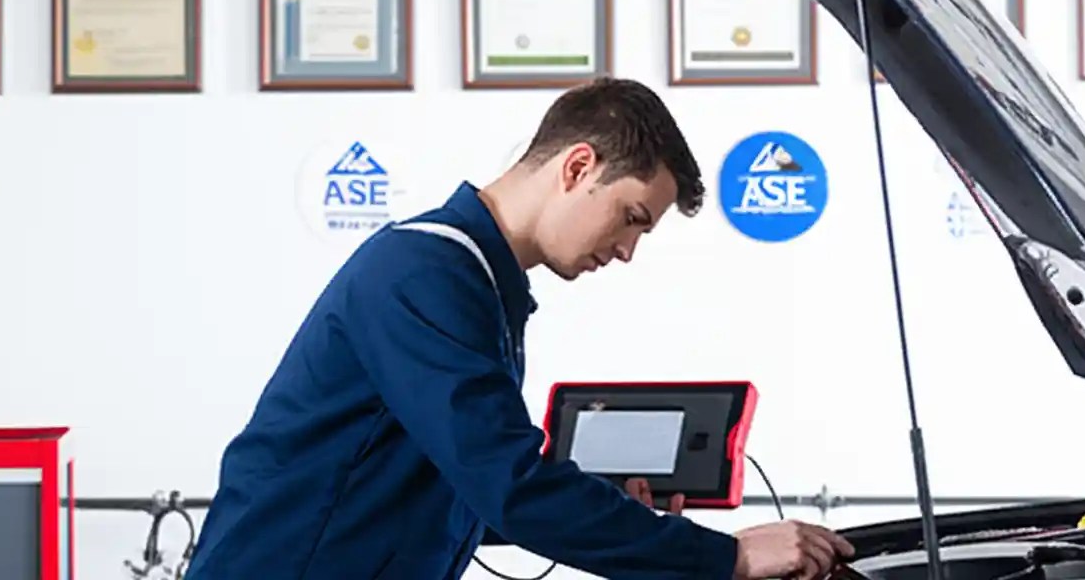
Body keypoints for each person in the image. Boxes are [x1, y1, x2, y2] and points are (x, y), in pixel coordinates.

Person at [185, 76, 855, 579]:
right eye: (631, 218)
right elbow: (508, 485)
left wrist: (612, 514)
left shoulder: (478, 283)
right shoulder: (424, 273)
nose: (627, 251)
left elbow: (460, 486)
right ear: (578, 167)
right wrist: (727, 558)